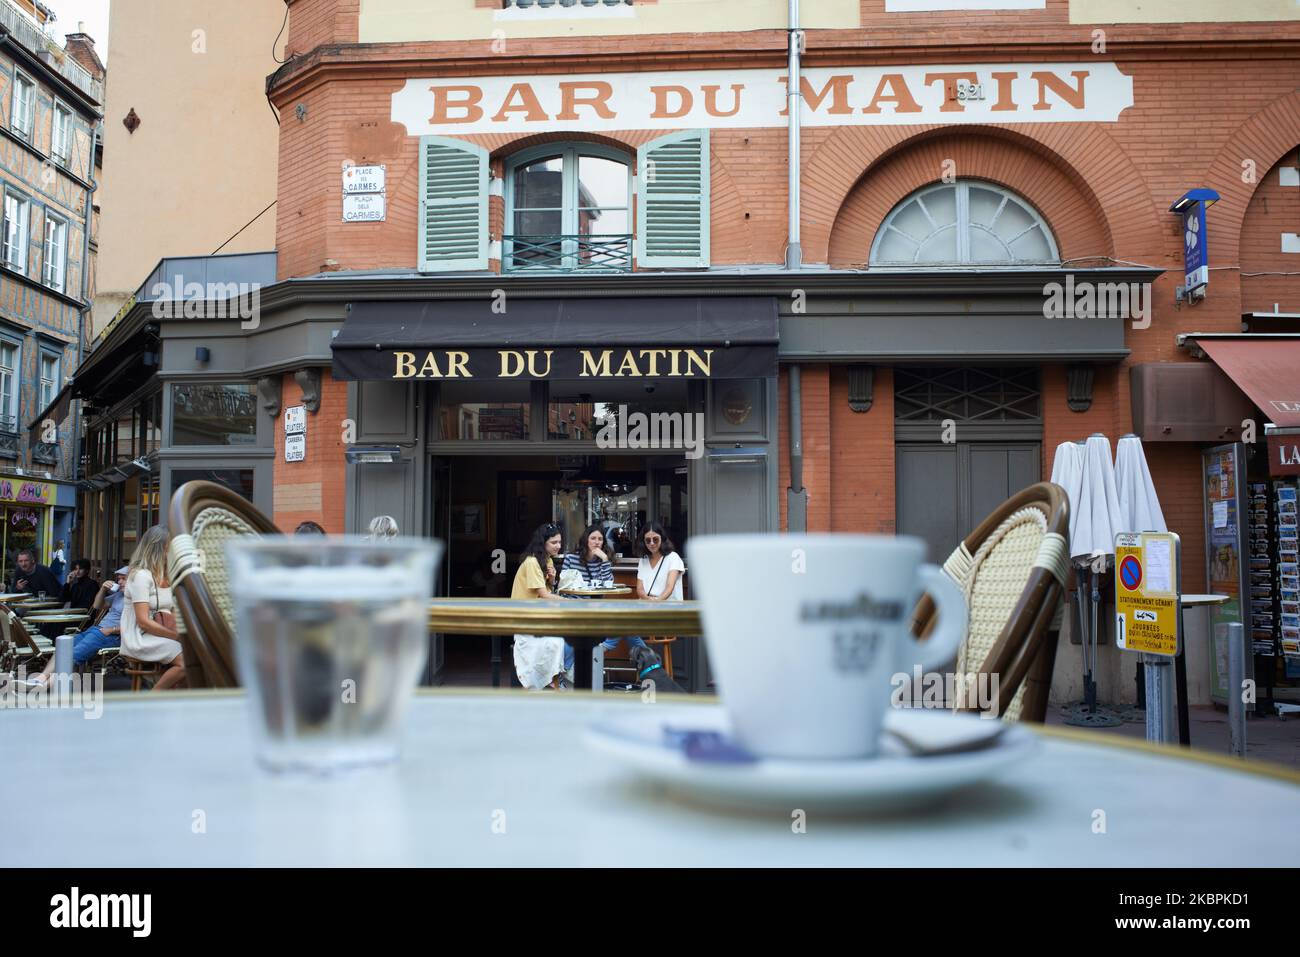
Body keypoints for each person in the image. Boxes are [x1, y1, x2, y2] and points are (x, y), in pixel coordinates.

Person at [16, 567, 129, 689]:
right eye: (119, 579)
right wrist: (102, 589)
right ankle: (40, 678)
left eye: (123, 579)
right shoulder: (119, 595)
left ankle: (44, 686)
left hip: (111, 635)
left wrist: (111, 630)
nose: (119, 582)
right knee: (63, 647)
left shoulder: (136, 600)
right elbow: (97, 605)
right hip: (97, 630)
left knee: (73, 655)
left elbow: (136, 626)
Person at [562, 523, 648, 656]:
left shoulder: (602, 560)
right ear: (586, 540)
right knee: (624, 624)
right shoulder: (571, 558)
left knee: (625, 621)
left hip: (596, 607)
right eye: (593, 538)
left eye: (600, 539)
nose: (597, 542)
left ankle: (603, 648)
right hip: (575, 607)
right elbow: (563, 584)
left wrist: (604, 559)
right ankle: (649, 661)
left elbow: (608, 583)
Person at [119, 525, 186, 692]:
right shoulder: (141, 576)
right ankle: (151, 700)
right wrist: (176, 636)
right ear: (160, 549)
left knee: (196, 654)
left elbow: (174, 612)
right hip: (138, 637)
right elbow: (143, 622)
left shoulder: (168, 576)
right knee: (186, 661)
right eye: (172, 547)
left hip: (158, 633)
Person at [510, 522, 573, 690]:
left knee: (568, 638)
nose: (558, 546)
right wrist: (570, 603)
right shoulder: (532, 562)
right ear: (542, 543)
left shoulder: (547, 560)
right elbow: (544, 595)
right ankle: (553, 680)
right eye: (554, 542)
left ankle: (555, 678)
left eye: (560, 542)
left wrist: (552, 580)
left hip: (539, 614)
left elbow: (547, 591)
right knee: (559, 641)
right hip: (526, 617)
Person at [637, 522, 685, 602]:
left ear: (662, 538)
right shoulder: (643, 560)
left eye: (655, 539)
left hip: (669, 606)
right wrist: (648, 599)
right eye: (648, 540)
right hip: (647, 605)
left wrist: (657, 601)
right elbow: (640, 589)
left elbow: (669, 587)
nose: (652, 543)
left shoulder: (673, 558)